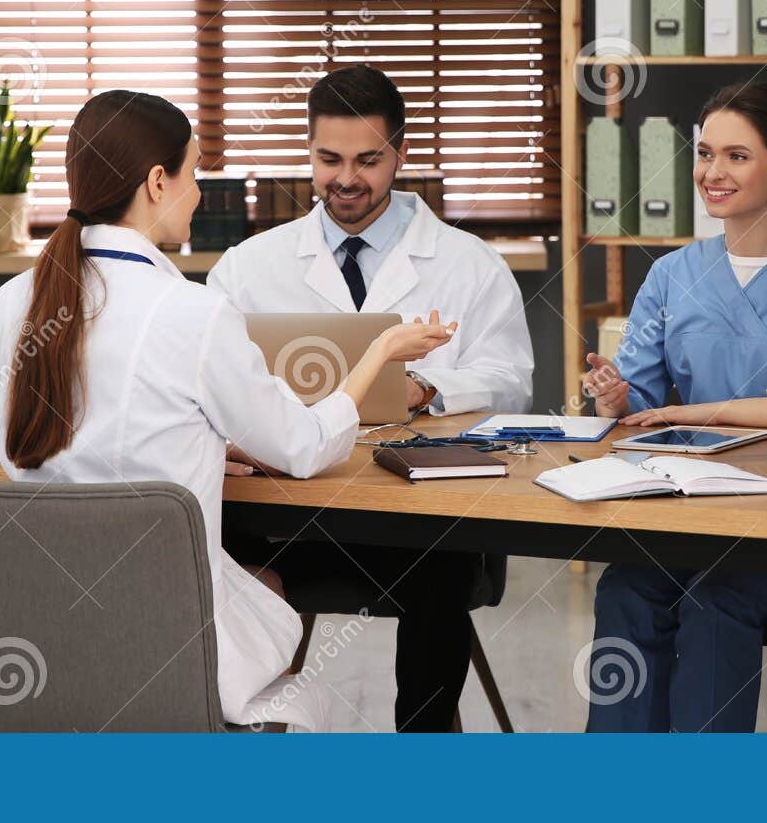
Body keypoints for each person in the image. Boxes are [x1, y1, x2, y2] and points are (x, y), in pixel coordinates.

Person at [0, 89, 454, 731]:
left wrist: (205, 441)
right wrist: (379, 352)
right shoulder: (193, 311)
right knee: (290, 661)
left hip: (44, 636)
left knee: (262, 585)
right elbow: (303, 447)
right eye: (195, 174)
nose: (200, 194)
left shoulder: (15, 301)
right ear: (158, 182)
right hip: (162, 640)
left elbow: (89, 444)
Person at [207, 64, 534, 731]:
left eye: (367, 159)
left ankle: (422, 756)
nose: (346, 178)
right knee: (213, 546)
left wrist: (429, 386)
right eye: (328, 159)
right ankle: (247, 737)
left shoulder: (469, 262)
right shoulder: (248, 265)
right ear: (308, 150)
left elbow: (512, 377)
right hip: (288, 513)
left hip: (413, 520)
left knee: (442, 563)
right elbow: (208, 378)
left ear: (401, 152)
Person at [580, 82, 767, 732]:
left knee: (717, 599)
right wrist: (617, 393)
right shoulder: (671, 274)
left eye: (737, 156)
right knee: (627, 587)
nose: (713, 172)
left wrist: (699, 412)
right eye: (706, 153)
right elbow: (643, 404)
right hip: (696, 507)